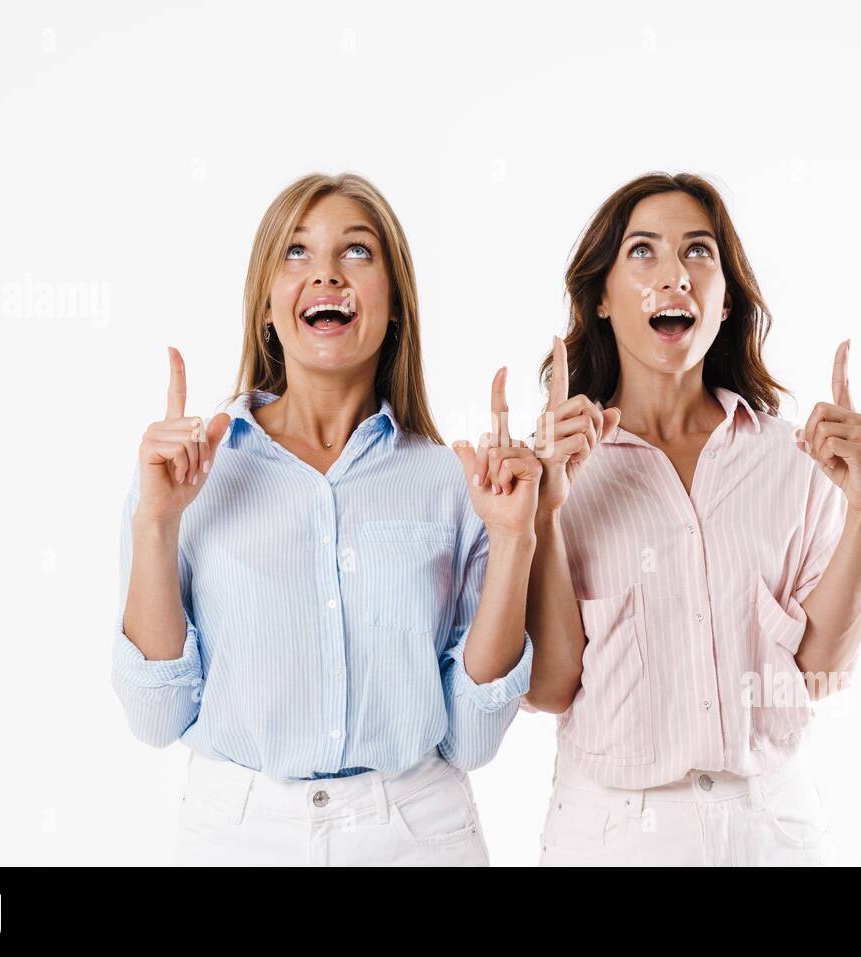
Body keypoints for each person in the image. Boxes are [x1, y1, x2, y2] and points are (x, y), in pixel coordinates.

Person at [111, 172, 542, 866]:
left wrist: (515, 537)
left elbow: (473, 737)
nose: (327, 274)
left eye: (358, 252)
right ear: (266, 307)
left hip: (416, 833)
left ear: (395, 303)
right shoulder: (190, 474)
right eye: (297, 253)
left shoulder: (452, 481)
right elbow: (157, 716)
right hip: (237, 834)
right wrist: (156, 524)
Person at [522, 172, 861, 866]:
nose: (675, 276)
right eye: (642, 252)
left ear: (725, 300)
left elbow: (820, 669)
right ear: (601, 296)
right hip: (612, 833)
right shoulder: (558, 471)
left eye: (698, 252)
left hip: (773, 825)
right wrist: (543, 511)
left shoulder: (793, 460)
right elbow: (548, 687)